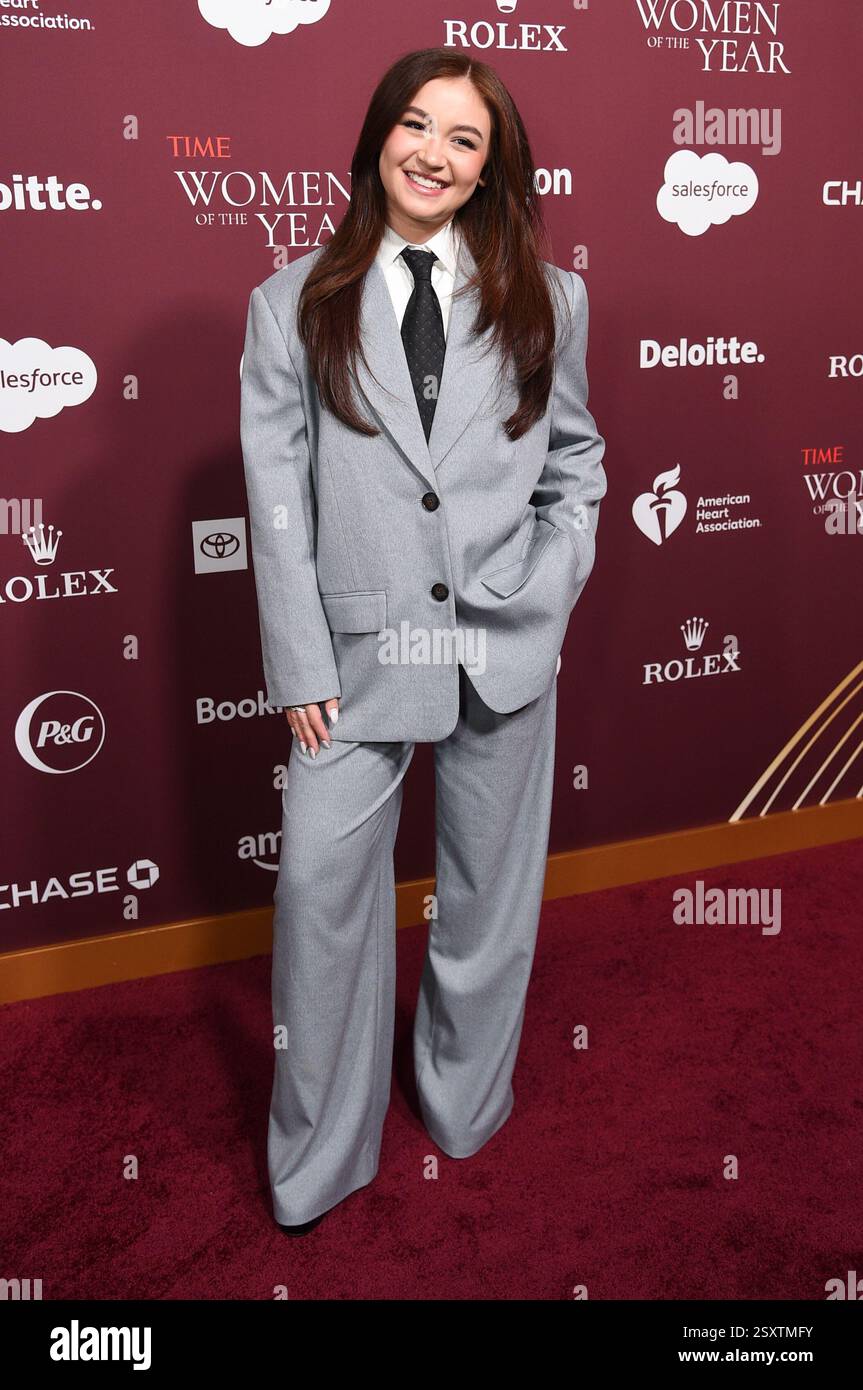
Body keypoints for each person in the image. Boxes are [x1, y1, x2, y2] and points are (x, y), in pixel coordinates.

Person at [239, 47, 607, 1234]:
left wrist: (546, 590)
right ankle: (320, 1154)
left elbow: (575, 465)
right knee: (319, 900)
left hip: (503, 642)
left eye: (463, 139)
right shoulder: (289, 300)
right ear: (375, 138)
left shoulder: (550, 299)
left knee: (487, 899)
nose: (433, 155)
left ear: (490, 169)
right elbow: (277, 493)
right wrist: (297, 662)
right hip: (351, 660)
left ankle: (463, 1101)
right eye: (414, 124)